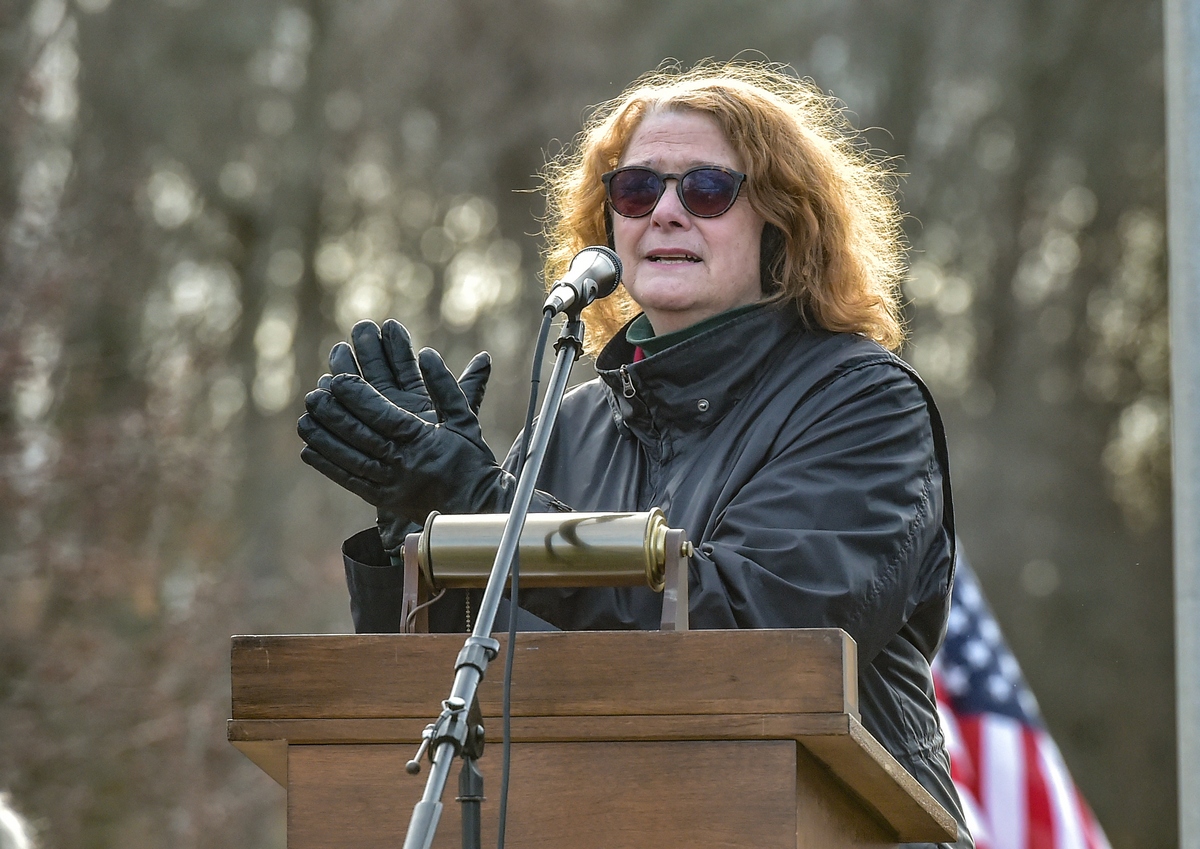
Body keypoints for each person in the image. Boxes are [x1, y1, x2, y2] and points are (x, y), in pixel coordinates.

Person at [298, 60, 973, 849]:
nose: (666, 213)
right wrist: (416, 530)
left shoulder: (862, 401)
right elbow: (466, 683)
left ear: (783, 227)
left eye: (708, 190)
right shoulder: (570, 421)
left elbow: (758, 637)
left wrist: (482, 502)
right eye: (637, 189)